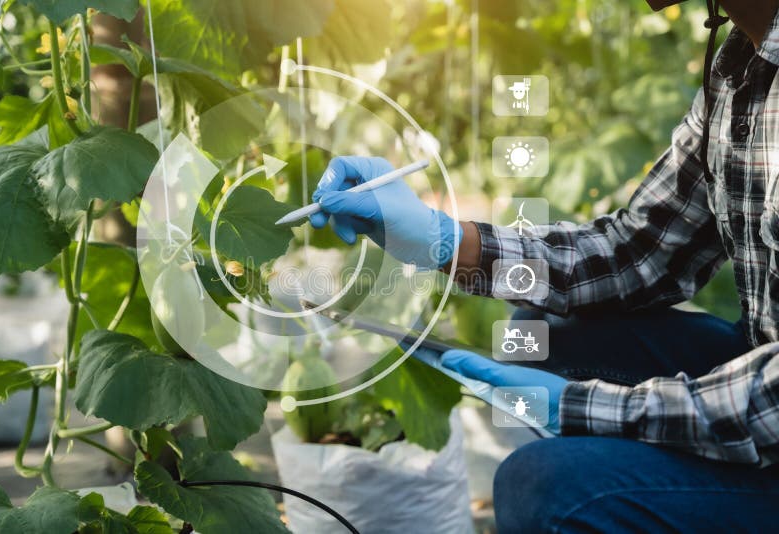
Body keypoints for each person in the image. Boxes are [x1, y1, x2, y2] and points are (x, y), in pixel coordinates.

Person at [309, 0, 779, 530]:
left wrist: (590, 409)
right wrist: (442, 241)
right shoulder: (743, 65)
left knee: (546, 488)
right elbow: (638, 253)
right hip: (762, 362)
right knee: (544, 335)